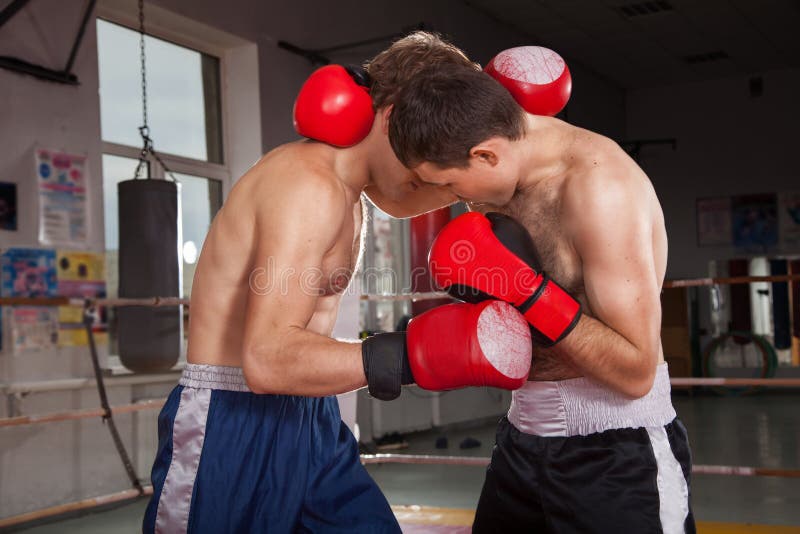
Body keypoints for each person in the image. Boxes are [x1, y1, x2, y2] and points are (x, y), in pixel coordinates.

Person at [142, 32, 535, 534]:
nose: (438, 183)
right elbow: (266, 359)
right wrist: (416, 353)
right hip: (232, 425)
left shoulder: (349, 196)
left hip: (311, 420)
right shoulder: (308, 184)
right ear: (395, 115)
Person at [388, 52, 695, 533]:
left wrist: (528, 293)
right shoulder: (494, 169)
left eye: (450, 184)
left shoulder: (600, 189)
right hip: (522, 439)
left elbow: (637, 371)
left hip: (617, 453)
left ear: (486, 155)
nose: (454, 198)